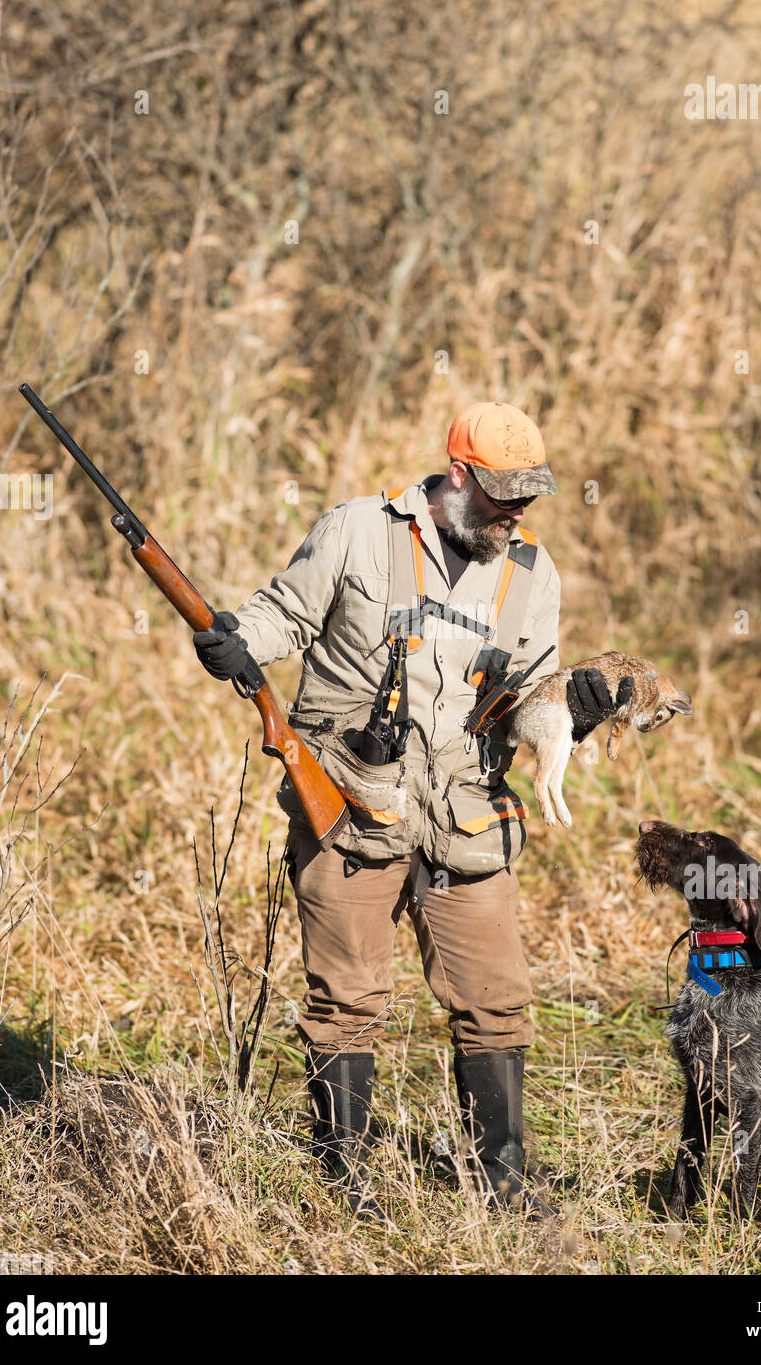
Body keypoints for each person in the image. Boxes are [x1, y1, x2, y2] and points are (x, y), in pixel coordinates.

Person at [194, 400, 624, 1217]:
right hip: (353, 802)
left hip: (466, 815)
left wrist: (580, 707)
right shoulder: (357, 529)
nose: (518, 509)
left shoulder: (532, 573)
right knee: (348, 997)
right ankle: (343, 1177)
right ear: (456, 474)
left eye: (530, 493)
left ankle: (500, 1180)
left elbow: (532, 696)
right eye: (503, 492)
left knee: (495, 996)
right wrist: (233, 638)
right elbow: (285, 612)